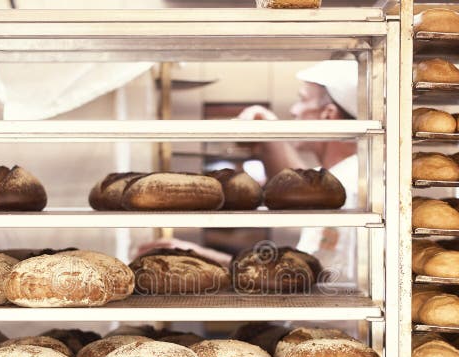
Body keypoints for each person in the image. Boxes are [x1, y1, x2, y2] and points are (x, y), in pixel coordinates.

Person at [140, 60, 360, 285]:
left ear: (328, 115)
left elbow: (313, 281)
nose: (294, 110)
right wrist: (202, 256)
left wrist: (201, 257)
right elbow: (295, 187)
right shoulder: (337, 179)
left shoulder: (350, 184)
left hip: (325, 322)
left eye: (302, 99)